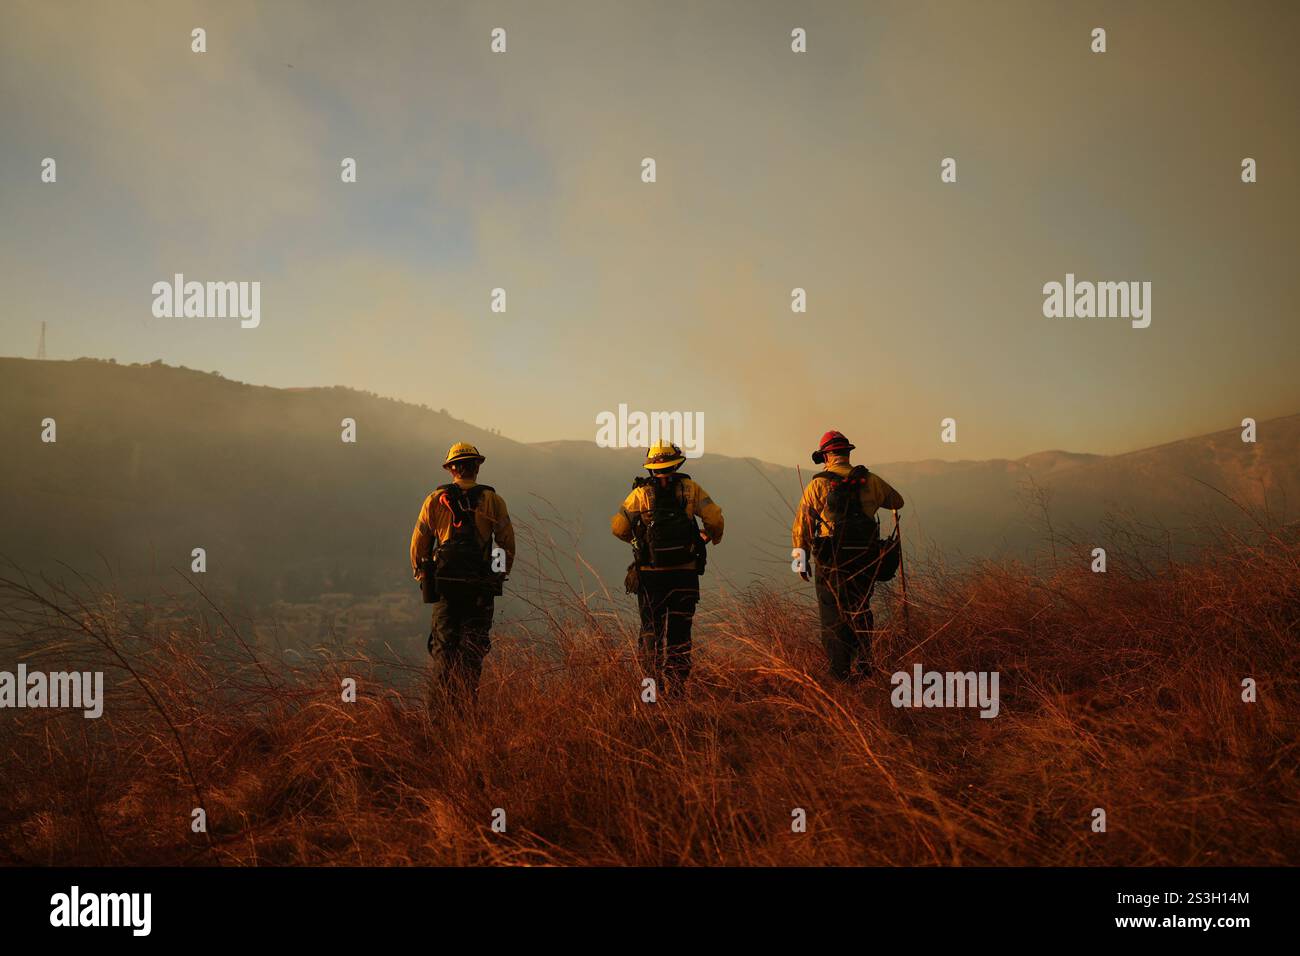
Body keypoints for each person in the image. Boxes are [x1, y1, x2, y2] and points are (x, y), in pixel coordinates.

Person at [611, 441, 724, 696]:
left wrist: (638, 542)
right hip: (684, 574)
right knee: (680, 634)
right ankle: (676, 693)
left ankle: (649, 694)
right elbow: (715, 519)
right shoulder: (691, 489)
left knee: (650, 631)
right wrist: (707, 537)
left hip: (650, 576)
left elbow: (618, 527)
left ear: (651, 468)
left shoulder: (640, 494)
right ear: (677, 463)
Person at [792, 430, 904, 681]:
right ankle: (865, 667)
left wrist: (800, 561)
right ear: (847, 453)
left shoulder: (818, 484)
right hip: (866, 557)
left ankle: (839, 673)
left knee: (832, 614)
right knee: (860, 608)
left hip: (831, 560)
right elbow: (898, 501)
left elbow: (802, 524)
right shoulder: (871, 480)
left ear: (826, 456)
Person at [410, 442, 515, 704]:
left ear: (451, 469)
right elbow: (506, 545)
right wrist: (498, 576)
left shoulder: (434, 500)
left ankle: (440, 718)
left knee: (444, 653)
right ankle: (466, 713)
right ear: (477, 466)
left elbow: (419, 544)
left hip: (445, 590)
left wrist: (422, 576)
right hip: (479, 590)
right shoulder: (493, 501)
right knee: (472, 653)